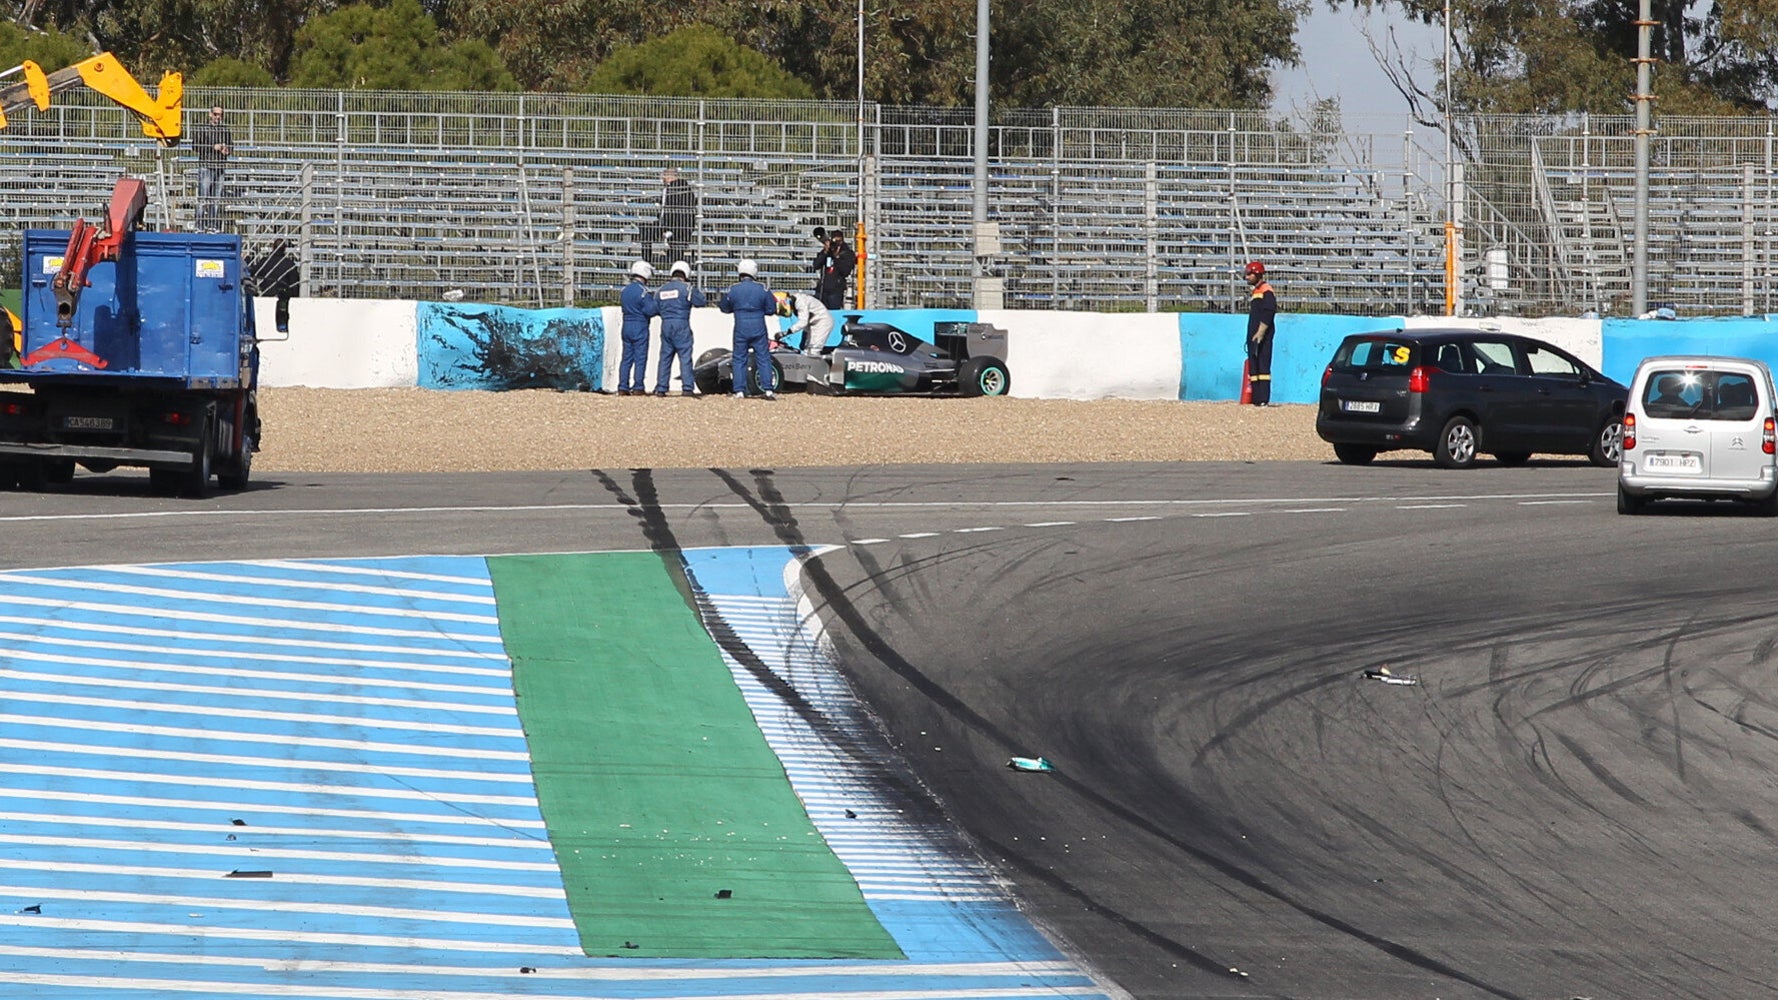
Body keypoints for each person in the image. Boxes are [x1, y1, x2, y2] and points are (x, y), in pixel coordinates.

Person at [719, 258, 776, 399]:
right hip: (758, 326)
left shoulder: (734, 289)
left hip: (741, 326)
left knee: (739, 358)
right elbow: (771, 309)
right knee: (763, 357)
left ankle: (739, 390)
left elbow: (724, 307)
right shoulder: (763, 288)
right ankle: (768, 389)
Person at [653, 260, 706, 396]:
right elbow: (701, 302)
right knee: (685, 356)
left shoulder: (661, 289)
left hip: (665, 324)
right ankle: (687, 388)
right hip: (681, 324)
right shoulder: (687, 288)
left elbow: (654, 307)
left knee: (665, 357)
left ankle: (661, 388)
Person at [617, 260, 659, 395]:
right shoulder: (644, 292)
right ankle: (638, 386)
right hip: (639, 325)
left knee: (626, 358)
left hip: (626, 324)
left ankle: (623, 386)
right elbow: (650, 310)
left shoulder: (624, 290)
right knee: (640, 357)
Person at [191, 105, 233, 232]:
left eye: (220, 115)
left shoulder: (225, 130)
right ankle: (199, 225)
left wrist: (227, 150)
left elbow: (231, 146)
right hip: (206, 166)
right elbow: (195, 146)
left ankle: (212, 225)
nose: (218, 117)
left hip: (220, 167)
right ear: (210, 114)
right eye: (215, 114)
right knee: (203, 197)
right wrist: (212, 147)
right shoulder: (202, 129)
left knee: (215, 199)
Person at [247, 239, 299, 333]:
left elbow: (253, 272)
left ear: (273, 248)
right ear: (284, 249)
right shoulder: (290, 264)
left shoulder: (265, 261)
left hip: (266, 295)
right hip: (283, 298)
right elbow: (294, 285)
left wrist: (247, 261)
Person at [1243, 260, 1277, 406]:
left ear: (1257, 274)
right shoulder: (1256, 291)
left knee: (1263, 366)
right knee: (1254, 366)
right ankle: (1256, 398)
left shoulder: (1266, 290)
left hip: (1262, 335)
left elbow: (1269, 311)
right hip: (1253, 335)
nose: (1247, 277)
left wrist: (1261, 332)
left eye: (1250, 274)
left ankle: (1263, 398)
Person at [649, 166, 696, 268]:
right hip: (675, 226)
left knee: (677, 253)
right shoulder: (672, 189)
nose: (662, 179)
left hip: (678, 227)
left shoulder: (677, 189)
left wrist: (668, 228)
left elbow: (673, 211)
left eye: (664, 176)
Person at [774, 289, 832, 356]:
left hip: (822, 322)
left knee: (813, 350)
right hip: (814, 323)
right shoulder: (796, 302)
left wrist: (785, 333)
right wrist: (804, 337)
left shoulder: (800, 301)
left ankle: (819, 364)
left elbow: (803, 322)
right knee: (807, 351)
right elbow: (807, 320)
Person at [810, 225, 855, 310]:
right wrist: (825, 252)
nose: (836, 243)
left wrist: (837, 257)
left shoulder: (847, 253)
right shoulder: (826, 252)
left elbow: (846, 271)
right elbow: (816, 265)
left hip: (835, 290)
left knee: (833, 312)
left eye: (838, 241)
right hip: (822, 289)